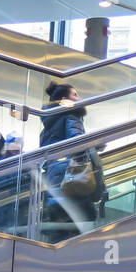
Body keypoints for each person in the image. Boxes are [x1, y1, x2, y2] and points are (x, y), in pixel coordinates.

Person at [39, 82, 106, 236]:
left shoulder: (46, 129)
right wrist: (95, 144)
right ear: (65, 100)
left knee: (59, 233)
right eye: (75, 94)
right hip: (70, 180)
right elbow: (77, 141)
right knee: (79, 232)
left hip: (54, 184)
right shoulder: (72, 116)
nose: (79, 98)